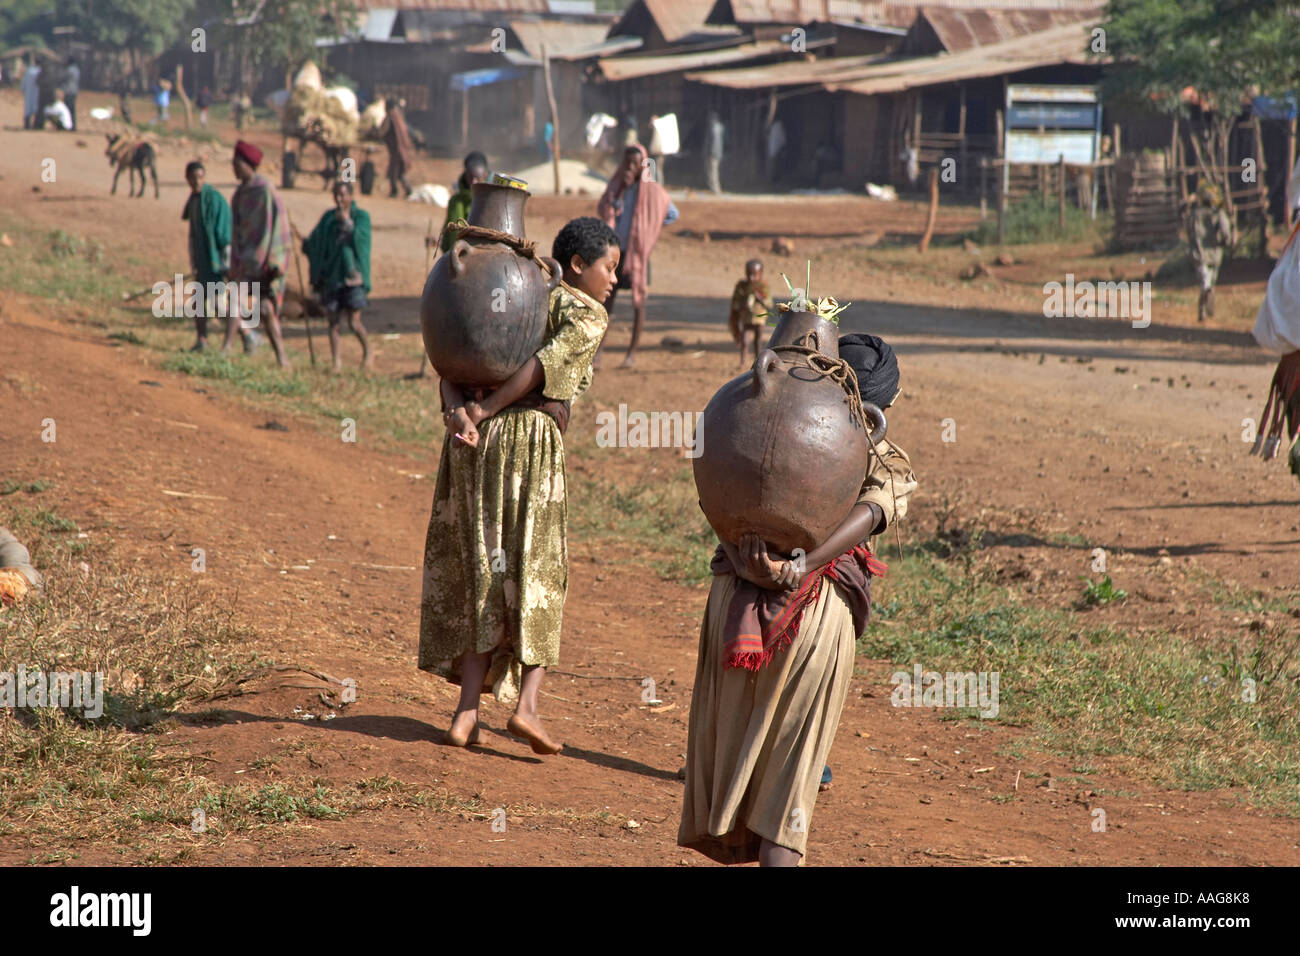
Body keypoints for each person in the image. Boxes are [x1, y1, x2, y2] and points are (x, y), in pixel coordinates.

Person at [677, 325, 916, 867]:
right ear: (879, 406)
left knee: (739, 756)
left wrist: (746, 560)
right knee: (790, 787)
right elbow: (874, 510)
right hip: (815, 618)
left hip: (733, 606)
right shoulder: (878, 448)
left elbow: (718, 484)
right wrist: (802, 564)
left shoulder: (752, 412)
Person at [421, 214, 618, 756]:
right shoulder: (581, 311)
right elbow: (542, 367)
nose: (614, 280)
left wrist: (459, 413)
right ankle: (527, 708)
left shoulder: (502, 284)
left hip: (471, 444)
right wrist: (485, 408)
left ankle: (466, 713)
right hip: (527, 442)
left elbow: (449, 355)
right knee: (538, 567)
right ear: (576, 266)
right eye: (610, 267)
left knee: (483, 565)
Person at [596, 144, 678, 369]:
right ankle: (598, 354)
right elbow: (603, 207)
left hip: (638, 256)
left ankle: (631, 354)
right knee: (606, 301)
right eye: (626, 163)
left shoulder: (652, 190)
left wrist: (649, 228)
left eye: (635, 163)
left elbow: (672, 213)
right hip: (616, 253)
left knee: (638, 304)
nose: (630, 168)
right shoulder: (617, 188)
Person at [226, 140, 293, 367]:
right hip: (245, 262)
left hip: (265, 262)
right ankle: (226, 349)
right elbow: (236, 231)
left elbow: (273, 229)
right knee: (235, 300)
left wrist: (272, 261)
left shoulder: (264, 190)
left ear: (247, 164)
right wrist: (235, 259)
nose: (233, 168)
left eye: (236, 164)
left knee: (265, 309)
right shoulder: (239, 196)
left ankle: (282, 359)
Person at [303, 180, 373, 371]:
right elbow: (317, 241)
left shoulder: (361, 217)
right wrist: (307, 244)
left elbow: (362, 240)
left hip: (353, 277)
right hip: (332, 277)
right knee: (333, 321)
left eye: (343, 195)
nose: (340, 199)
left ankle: (368, 352)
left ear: (351, 195)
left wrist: (347, 223)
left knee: (353, 321)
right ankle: (336, 362)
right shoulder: (328, 219)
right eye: (337, 195)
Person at [182, 160, 233, 353]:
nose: (196, 181)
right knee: (198, 301)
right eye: (193, 178)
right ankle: (202, 340)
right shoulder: (194, 201)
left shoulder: (213, 199)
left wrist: (225, 262)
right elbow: (194, 234)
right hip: (202, 262)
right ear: (187, 178)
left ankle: (247, 334)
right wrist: (194, 260)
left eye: (200, 177)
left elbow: (224, 233)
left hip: (216, 261)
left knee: (218, 305)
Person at [439, 151, 489, 252]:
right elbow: (447, 232)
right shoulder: (455, 201)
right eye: (471, 177)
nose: (474, 182)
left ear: (485, 175)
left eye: (477, 178)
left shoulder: (490, 203)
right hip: (452, 257)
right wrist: (438, 241)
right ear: (465, 175)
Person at [727, 258, 770, 368]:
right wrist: (742, 305)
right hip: (746, 318)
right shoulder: (742, 287)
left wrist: (759, 298)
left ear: (760, 274)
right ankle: (742, 362)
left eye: (755, 275)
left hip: (759, 319)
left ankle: (758, 362)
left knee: (758, 342)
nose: (751, 278)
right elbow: (735, 303)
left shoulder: (763, 287)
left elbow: (769, 304)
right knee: (745, 340)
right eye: (749, 275)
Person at [379, 97, 414, 198]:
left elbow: (382, 132)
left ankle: (395, 191)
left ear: (388, 106)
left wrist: (372, 133)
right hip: (403, 149)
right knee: (399, 171)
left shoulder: (390, 117)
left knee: (394, 171)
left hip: (397, 150)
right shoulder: (399, 116)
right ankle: (407, 189)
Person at [705, 111, 724, 195]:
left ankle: (716, 190)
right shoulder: (720, 127)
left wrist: (711, 153)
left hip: (714, 154)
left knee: (713, 171)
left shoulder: (714, 128)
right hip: (718, 153)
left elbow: (714, 142)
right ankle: (713, 188)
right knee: (713, 171)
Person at [21, 56, 40, 130]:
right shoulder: (40, 71)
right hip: (37, 93)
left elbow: (24, 81)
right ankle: (36, 125)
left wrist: (23, 89)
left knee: (28, 108)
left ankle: (27, 125)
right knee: (36, 108)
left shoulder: (29, 71)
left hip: (29, 92)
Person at [766, 117, 786, 184]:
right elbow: (782, 139)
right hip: (776, 148)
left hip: (775, 149)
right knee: (775, 164)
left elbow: (780, 138)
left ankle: (775, 179)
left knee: (775, 164)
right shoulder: (776, 127)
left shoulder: (777, 127)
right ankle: (774, 179)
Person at [61, 57, 79, 131]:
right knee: (72, 109)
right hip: (74, 91)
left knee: (67, 109)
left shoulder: (69, 70)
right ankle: (73, 126)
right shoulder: (77, 70)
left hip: (69, 91)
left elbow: (63, 78)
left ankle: (68, 125)